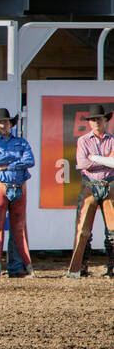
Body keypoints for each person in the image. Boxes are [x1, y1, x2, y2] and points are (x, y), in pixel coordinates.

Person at [0, 107, 34, 278]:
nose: (4, 125)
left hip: (17, 185)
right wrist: (18, 161)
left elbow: (30, 161)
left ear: (11, 124)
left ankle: (16, 267)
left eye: (6, 122)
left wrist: (9, 164)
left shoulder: (21, 141)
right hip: (1, 186)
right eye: (1, 122)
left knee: (18, 228)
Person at [66, 105, 114, 278]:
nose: (96, 122)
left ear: (105, 120)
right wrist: (106, 161)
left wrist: (93, 158)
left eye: (99, 119)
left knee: (113, 230)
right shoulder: (83, 140)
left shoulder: (111, 140)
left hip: (108, 184)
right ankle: (80, 267)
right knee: (83, 229)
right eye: (93, 119)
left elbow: (88, 162)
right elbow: (82, 164)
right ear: (89, 122)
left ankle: (111, 267)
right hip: (92, 184)